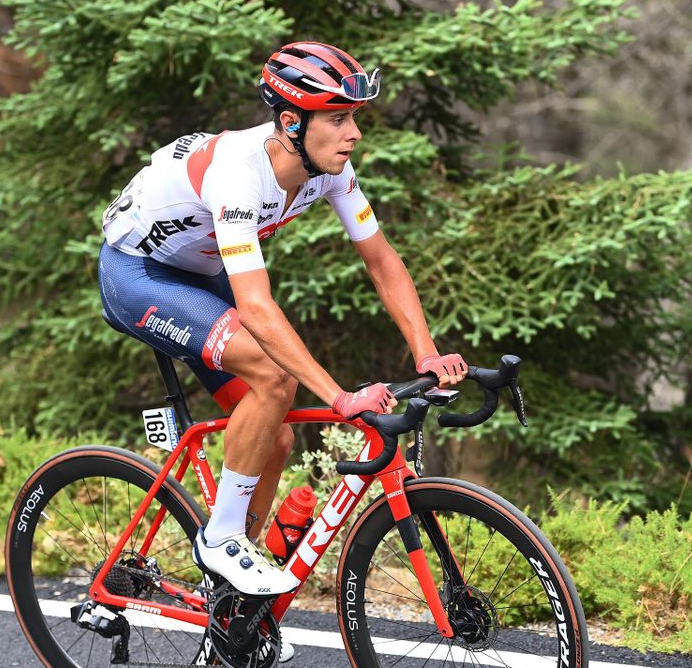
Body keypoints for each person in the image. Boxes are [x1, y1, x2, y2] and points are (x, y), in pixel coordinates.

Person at [97, 41, 466, 601]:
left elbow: (382, 260)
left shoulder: (327, 168)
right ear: (291, 123)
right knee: (274, 379)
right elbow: (257, 308)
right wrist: (339, 396)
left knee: (275, 438)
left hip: (199, 266)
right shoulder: (240, 175)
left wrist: (425, 352)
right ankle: (220, 539)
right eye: (339, 119)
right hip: (139, 272)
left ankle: (232, 604)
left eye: (353, 119)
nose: (354, 134)